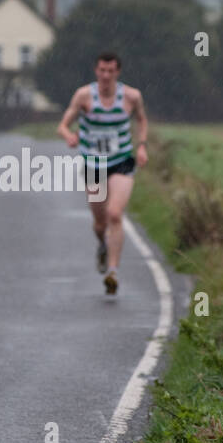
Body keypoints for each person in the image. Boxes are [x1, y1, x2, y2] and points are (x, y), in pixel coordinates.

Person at [56, 53, 148, 294]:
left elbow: (141, 120)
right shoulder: (84, 95)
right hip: (93, 165)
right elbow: (63, 124)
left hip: (121, 162)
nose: (106, 76)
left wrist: (141, 146)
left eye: (111, 71)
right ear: (96, 71)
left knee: (115, 214)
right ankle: (102, 245)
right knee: (100, 223)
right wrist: (70, 136)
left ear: (118, 72)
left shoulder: (131, 96)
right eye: (102, 71)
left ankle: (112, 272)